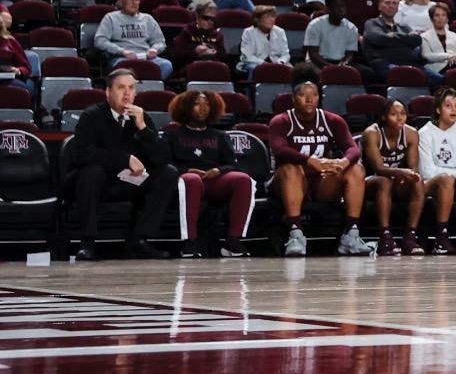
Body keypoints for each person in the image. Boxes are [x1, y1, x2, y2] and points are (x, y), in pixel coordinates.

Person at [66, 69, 175, 259]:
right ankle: (87, 242)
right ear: (108, 92)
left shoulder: (141, 117)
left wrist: (143, 128)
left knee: (168, 173)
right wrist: (124, 159)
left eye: (131, 88)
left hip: (128, 182)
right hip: (97, 183)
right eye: (121, 88)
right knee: (92, 171)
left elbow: (162, 158)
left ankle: (139, 240)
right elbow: (81, 153)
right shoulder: (92, 116)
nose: (127, 93)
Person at [268, 74, 374, 257]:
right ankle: (295, 235)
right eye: (303, 95)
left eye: (314, 95)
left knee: (356, 169)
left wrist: (343, 162)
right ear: (293, 99)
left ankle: (351, 235)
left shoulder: (332, 120)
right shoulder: (282, 121)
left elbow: (353, 149)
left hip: (320, 183)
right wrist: (309, 161)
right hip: (287, 181)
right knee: (291, 168)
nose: (309, 99)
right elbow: (279, 150)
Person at [162, 89, 253, 257]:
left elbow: (232, 164)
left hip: (214, 179)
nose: (202, 108)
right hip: (185, 181)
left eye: (207, 104)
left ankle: (233, 242)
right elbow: (165, 164)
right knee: (192, 180)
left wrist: (218, 170)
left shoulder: (219, 136)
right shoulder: (172, 135)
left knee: (243, 179)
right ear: (186, 107)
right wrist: (186, 170)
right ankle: (190, 243)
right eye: (197, 104)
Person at [416, 87, 456, 254]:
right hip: (432, 184)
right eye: (448, 105)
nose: (453, 109)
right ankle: (441, 236)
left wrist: (450, 175)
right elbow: (427, 171)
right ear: (438, 109)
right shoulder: (424, 133)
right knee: (445, 180)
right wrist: (449, 175)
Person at [362, 98, 427, 255]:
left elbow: (413, 166)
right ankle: (385, 236)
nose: (399, 118)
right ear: (384, 116)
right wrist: (401, 173)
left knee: (418, 182)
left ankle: (410, 236)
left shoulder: (411, 134)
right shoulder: (372, 133)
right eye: (393, 114)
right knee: (384, 182)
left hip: (396, 179)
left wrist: (410, 174)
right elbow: (378, 168)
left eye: (403, 114)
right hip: (369, 181)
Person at [95, 0, 172, 78]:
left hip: (146, 57)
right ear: (121, 1)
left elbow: (160, 42)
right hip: (122, 58)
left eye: (137, 0)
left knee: (166, 65)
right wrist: (122, 51)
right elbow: (100, 41)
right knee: (121, 67)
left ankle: (150, 89)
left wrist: (155, 49)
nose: (134, 3)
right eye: (131, 0)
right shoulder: (110, 18)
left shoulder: (147, 18)